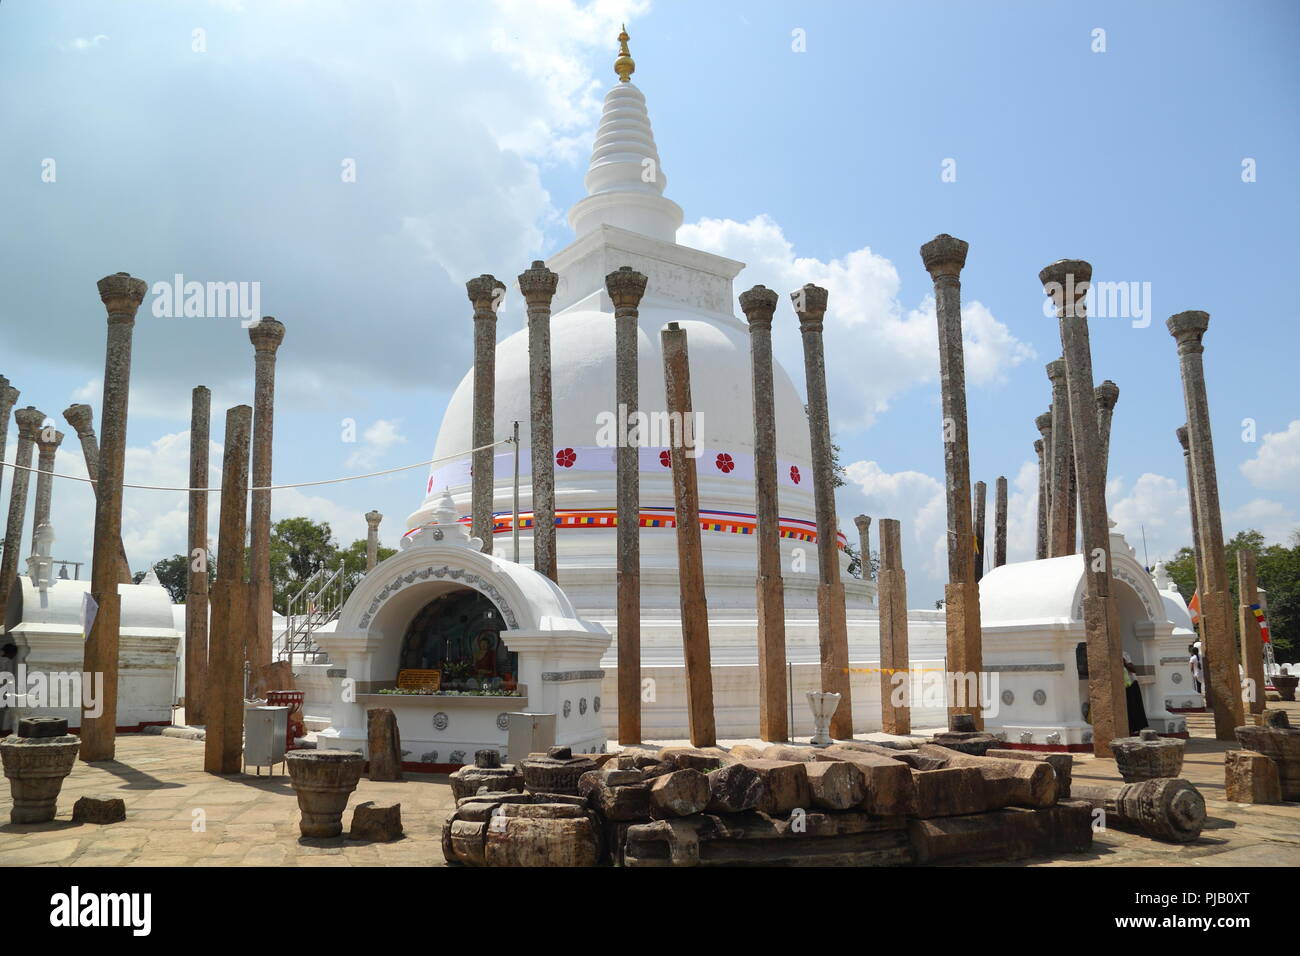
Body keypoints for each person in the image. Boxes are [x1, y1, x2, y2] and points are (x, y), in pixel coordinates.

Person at [1122, 651, 1148, 735]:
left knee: (1135, 707)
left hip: (1131, 684)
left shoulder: (1124, 654)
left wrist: (1124, 663)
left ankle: (1136, 729)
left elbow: (1133, 669)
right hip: (1121, 686)